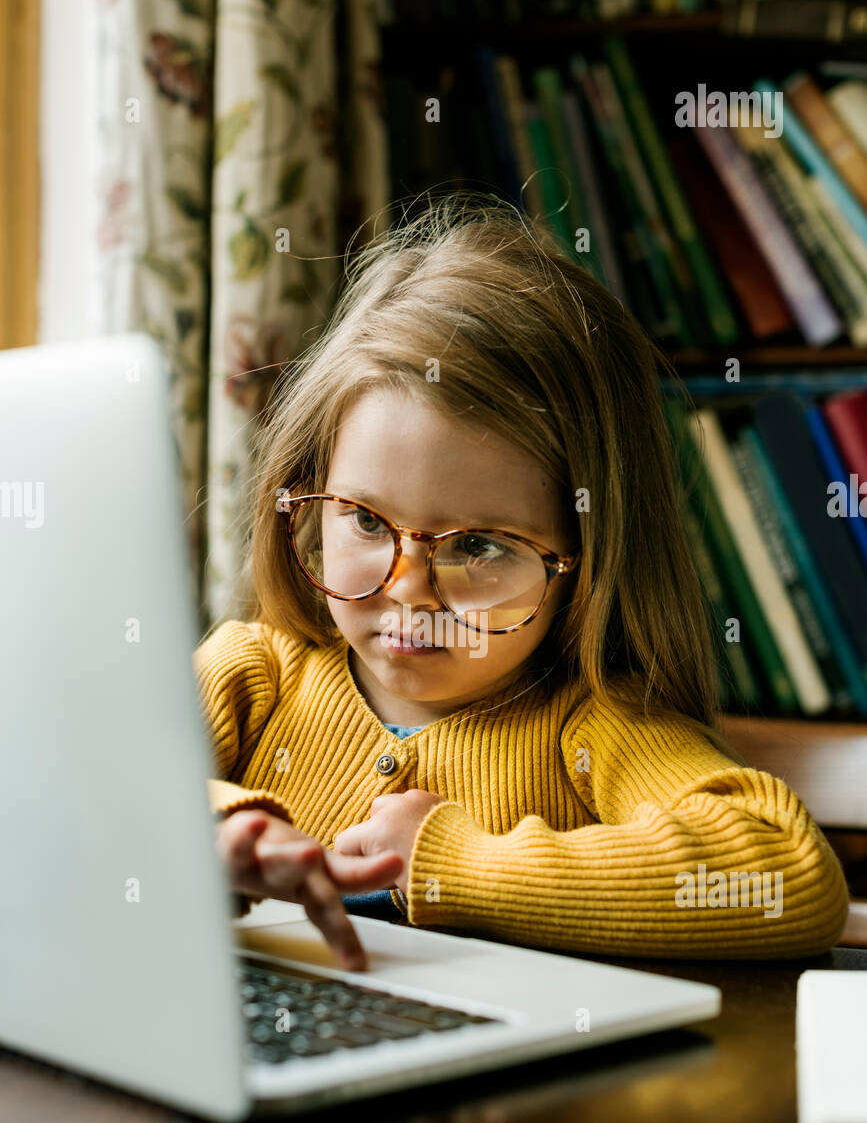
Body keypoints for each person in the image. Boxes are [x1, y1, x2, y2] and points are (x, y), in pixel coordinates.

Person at [194, 193, 848, 972]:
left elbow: (784, 875)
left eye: (475, 544)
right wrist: (225, 831)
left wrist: (453, 862)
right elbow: (80, 787)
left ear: (588, 553)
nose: (408, 589)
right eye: (366, 521)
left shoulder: (592, 729)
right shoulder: (252, 674)